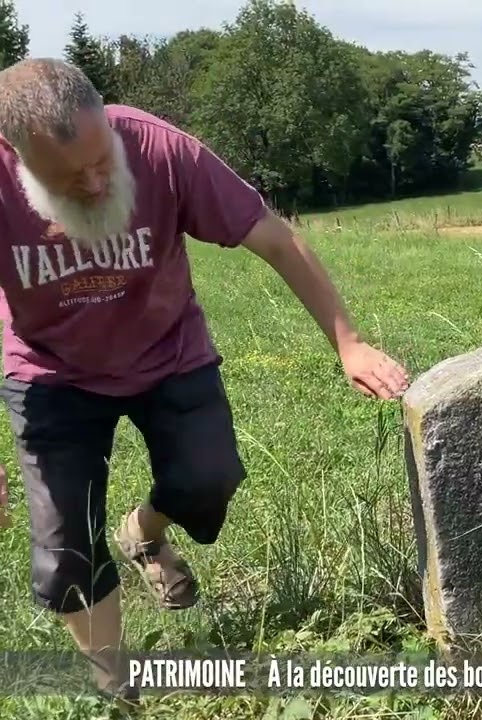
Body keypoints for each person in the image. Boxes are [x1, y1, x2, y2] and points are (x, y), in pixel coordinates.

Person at [0, 58, 410, 701]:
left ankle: (144, 531)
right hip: (51, 368)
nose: (96, 180)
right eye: (69, 178)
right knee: (65, 555)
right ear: (17, 156)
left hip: (167, 349)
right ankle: (117, 691)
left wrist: (348, 343)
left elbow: (272, 236)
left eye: (100, 158)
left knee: (208, 482)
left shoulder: (158, 147)